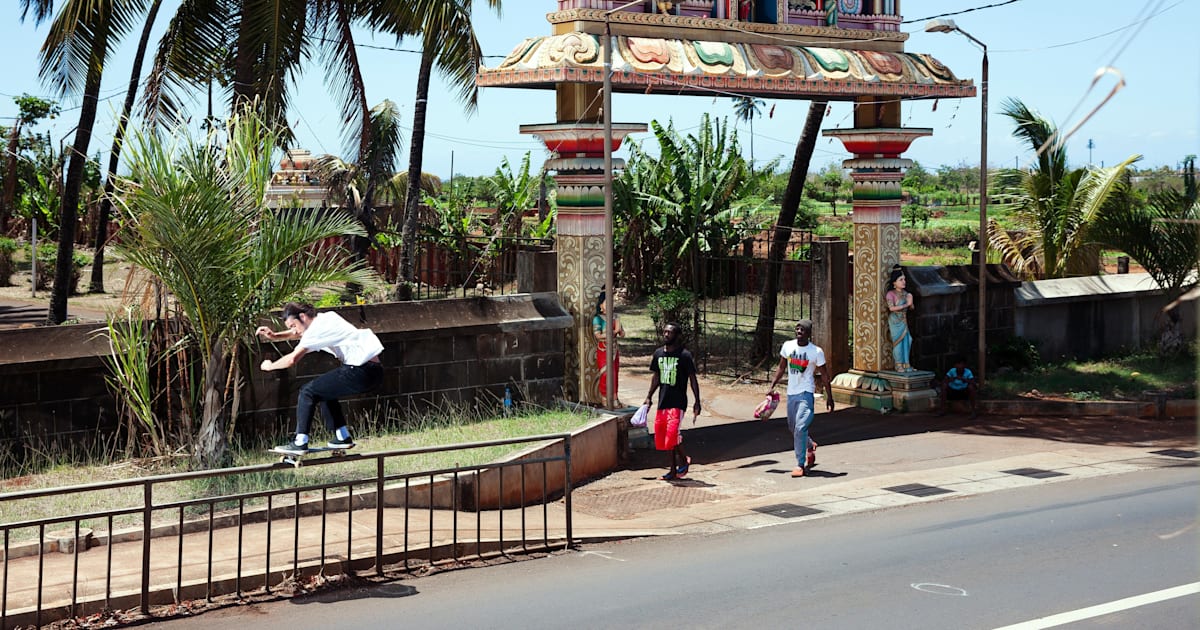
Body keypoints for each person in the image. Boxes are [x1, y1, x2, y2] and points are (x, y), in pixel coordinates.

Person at [257, 301, 384, 454]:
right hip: (373, 371)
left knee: (308, 391)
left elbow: (292, 359)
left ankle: (300, 441)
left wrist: (270, 366)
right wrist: (275, 336)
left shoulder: (315, 331)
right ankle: (342, 437)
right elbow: (298, 333)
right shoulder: (327, 318)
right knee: (325, 392)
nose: (293, 330)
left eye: (293, 325)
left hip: (359, 370)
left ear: (303, 317)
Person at [768, 319, 833, 478]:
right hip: (792, 393)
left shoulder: (816, 351)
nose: (799, 332)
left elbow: (824, 375)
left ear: (809, 334)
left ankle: (800, 464)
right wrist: (772, 385)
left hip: (806, 394)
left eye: (803, 330)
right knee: (793, 427)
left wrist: (829, 397)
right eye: (797, 329)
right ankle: (809, 444)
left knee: (800, 427)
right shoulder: (788, 346)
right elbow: (781, 367)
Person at [643, 322, 701, 481]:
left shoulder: (684, 355)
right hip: (663, 401)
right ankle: (676, 467)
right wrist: (649, 396)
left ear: (677, 335)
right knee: (664, 439)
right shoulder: (658, 354)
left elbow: (692, 379)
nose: (666, 335)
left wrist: (697, 401)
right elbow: (656, 377)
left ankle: (680, 463)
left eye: (670, 332)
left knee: (672, 435)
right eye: (665, 332)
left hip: (678, 402)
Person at [592, 290, 625, 404]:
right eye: (607, 302)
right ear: (601, 305)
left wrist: (619, 329)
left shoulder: (615, 318)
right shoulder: (598, 319)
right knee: (605, 374)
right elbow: (598, 335)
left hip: (614, 349)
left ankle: (615, 398)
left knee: (615, 374)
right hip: (604, 349)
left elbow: (622, 334)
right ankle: (604, 397)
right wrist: (612, 333)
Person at [886, 265, 914, 372]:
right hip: (895, 320)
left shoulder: (906, 293)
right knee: (898, 342)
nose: (904, 282)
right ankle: (898, 365)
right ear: (894, 282)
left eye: (904, 279)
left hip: (903, 320)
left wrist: (910, 300)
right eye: (901, 280)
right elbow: (891, 308)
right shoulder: (891, 294)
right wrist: (906, 304)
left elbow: (911, 307)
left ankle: (906, 364)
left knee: (908, 340)